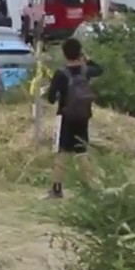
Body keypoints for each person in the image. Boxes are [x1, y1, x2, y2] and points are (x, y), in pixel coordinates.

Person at [44, 37, 104, 199]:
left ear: (64, 54)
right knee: (82, 151)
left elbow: (50, 98)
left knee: (62, 152)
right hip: (83, 116)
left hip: (65, 117)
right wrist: (87, 58)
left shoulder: (61, 74)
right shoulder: (86, 71)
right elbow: (99, 69)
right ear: (80, 52)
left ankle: (56, 189)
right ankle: (90, 187)